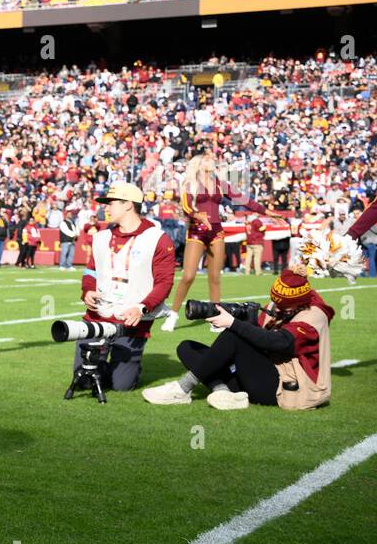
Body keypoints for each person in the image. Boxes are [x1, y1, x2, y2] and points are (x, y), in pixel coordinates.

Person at [143, 267, 333, 410]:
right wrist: (236, 316)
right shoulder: (281, 306)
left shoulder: (314, 315)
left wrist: (233, 323)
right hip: (262, 375)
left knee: (235, 335)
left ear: (297, 303)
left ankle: (182, 389)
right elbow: (257, 335)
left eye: (284, 306)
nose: (278, 308)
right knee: (187, 348)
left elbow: (280, 342)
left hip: (288, 388)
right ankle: (223, 393)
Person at [161, 152, 283, 332]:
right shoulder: (190, 183)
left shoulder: (220, 184)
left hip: (217, 231)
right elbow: (186, 207)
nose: (213, 161)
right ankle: (173, 315)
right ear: (200, 164)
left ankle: (216, 318)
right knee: (188, 276)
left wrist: (267, 212)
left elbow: (243, 200)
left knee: (215, 277)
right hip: (197, 231)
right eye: (208, 159)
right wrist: (197, 216)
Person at [75, 182, 176, 392]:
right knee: (85, 381)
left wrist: (142, 307)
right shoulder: (101, 237)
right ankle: (101, 361)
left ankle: (129, 368)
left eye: (111, 203)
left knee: (120, 386)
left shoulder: (158, 239)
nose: (106, 208)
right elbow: (91, 271)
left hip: (132, 321)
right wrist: (87, 290)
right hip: (98, 315)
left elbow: (164, 282)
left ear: (128, 205)